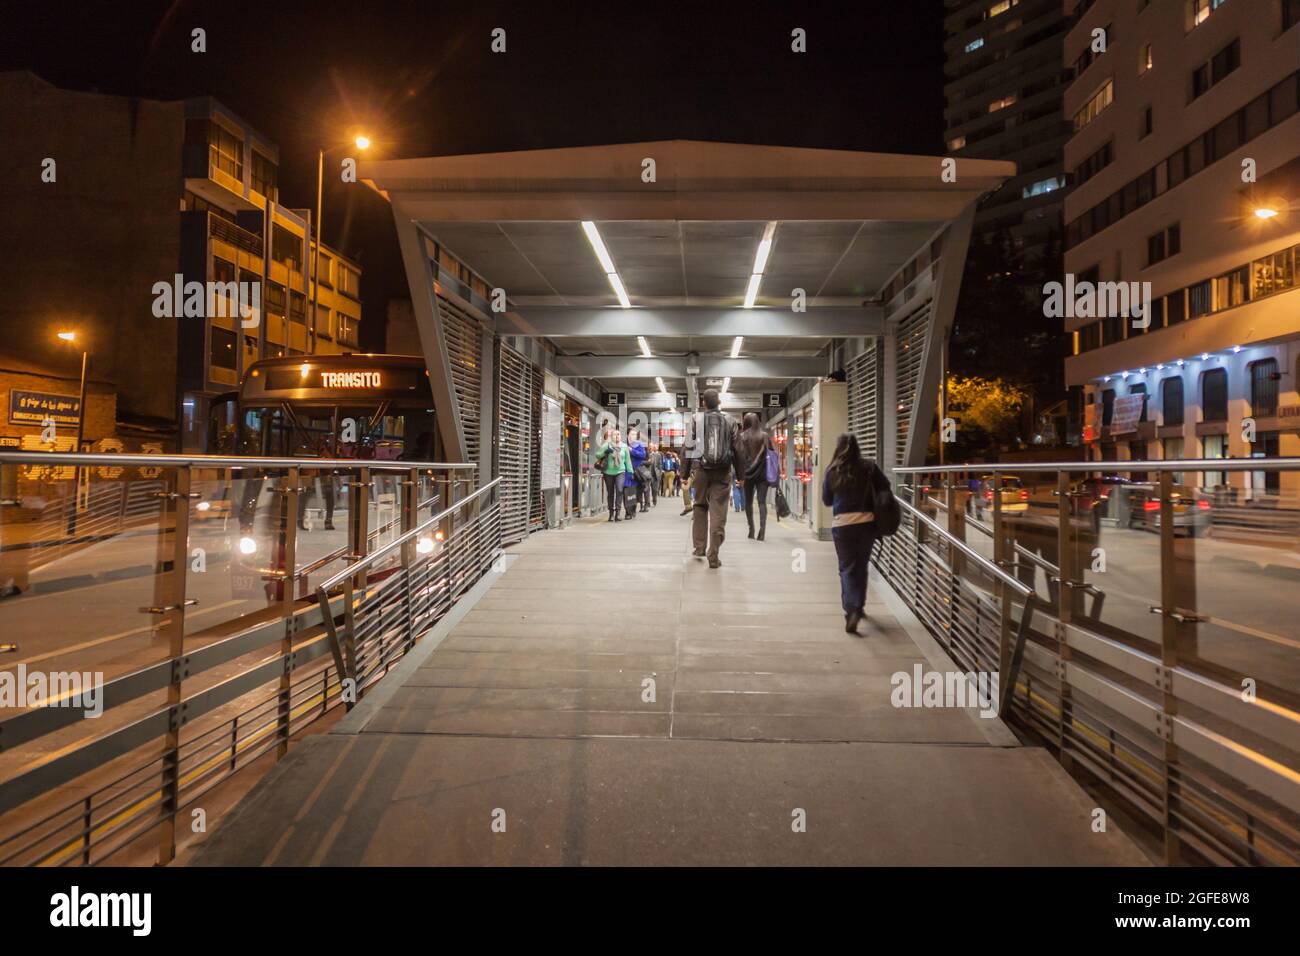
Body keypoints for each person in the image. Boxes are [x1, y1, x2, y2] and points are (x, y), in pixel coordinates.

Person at [821, 432, 893, 634]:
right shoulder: (869, 467)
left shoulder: (833, 470)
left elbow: (826, 500)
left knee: (846, 568)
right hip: (867, 524)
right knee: (861, 566)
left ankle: (851, 609)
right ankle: (858, 607)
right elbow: (885, 488)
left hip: (842, 526)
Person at [681, 389, 740, 569]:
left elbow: (686, 448)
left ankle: (699, 547)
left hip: (701, 470)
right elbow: (738, 450)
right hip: (723, 472)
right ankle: (713, 555)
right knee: (719, 511)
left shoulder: (696, 420)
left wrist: (684, 474)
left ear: (703, 403)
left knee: (699, 506)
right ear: (719, 402)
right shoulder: (730, 420)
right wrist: (742, 476)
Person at [735, 412, 776, 541]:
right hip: (762, 474)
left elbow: (738, 456)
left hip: (747, 473)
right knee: (762, 502)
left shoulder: (741, 437)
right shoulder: (764, 435)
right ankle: (762, 531)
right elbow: (771, 453)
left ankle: (751, 529)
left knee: (748, 502)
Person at [594, 428, 632, 522]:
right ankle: (611, 513)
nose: (617, 436)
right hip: (608, 472)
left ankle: (618, 513)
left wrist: (631, 472)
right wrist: (606, 452)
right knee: (610, 493)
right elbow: (598, 455)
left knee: (619, 490)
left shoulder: (624, 446)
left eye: (618, 434)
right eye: (615, 435)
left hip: (620, 471)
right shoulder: (607, 445)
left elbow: (627, 460)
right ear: (611, 437)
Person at [626, 429, 648, 518]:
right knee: (626, 492)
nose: (634, 436)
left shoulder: (639, 445)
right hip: (626, 472)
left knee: (634, 493)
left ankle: (633, 510)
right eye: (632, 434)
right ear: (628, 435)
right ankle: (628, 512)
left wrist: (632, 450)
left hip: (636, 473)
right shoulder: (624, 444)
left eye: (635, 434)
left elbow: (643, 455)